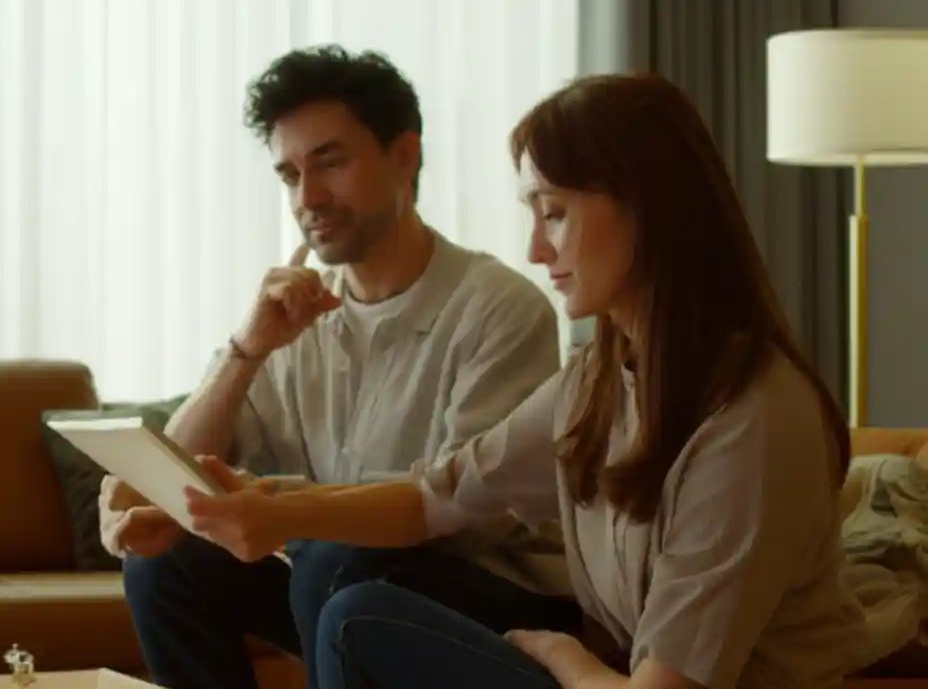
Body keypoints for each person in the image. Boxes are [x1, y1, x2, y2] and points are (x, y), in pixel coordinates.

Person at [184, 72, 869, 689]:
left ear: (647, 205)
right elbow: (434, 497)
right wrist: (276, 510)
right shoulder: (598, 383)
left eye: (554, 213)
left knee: (356, 617)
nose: (536, 250)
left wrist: (565, 657)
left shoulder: (750, 417)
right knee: (350, 611)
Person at [98, 45, 581, 689]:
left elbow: (471, 511)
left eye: (330, 162)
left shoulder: (499, 307)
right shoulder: (297, 314)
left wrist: (290, 509)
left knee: (330, 553)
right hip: (339, 573)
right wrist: (248, 348)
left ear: (403, 156)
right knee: (165, 563)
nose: (308, 197)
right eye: (289, 175)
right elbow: (175, 482)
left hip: (497, 591)